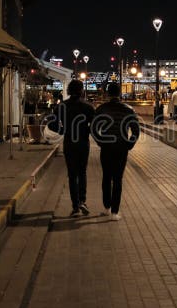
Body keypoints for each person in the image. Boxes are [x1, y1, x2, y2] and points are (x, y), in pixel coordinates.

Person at [91, 82, 140, 220]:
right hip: (121, 148)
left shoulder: (102, 108)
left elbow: (94, 129)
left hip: (106, 147)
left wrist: (100, 141)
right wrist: (129, 144)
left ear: (107, 93)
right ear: (120, 93)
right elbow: (136, 130)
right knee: (118, 179)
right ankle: (115, 212)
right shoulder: (129, 109)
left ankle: (107, 207)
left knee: (106, 177)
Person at [55, 79, 95, 217]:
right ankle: (82, 201)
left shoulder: (62, 106)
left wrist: (62, 130)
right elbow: (94, 126)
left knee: (72, 174)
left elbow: (53, 123)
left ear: (69, 91)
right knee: (82, 172)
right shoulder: (88, 107)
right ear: (81, 90)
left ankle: (75, 206)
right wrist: (87, 131)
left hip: (69, 143)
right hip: (83, 143)